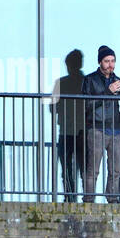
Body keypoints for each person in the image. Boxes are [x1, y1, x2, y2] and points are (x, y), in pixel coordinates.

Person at [82, 45, 120, 203]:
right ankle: (89, 199)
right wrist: (107, 91)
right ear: (100, 62)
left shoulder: (118, 80)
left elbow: (115, 104)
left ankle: (112, 198)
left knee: (116, 169)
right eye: (107, 61)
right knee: (93, 169)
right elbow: (87, 104)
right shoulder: (90, 79)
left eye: (113, 61)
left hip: (115, 129)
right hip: (97, 128)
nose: (110, 64)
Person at [48, 49, 86, 202]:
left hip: (71, 131)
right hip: (78, 131)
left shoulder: (62, 83)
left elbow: (52, 107)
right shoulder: (87, 82)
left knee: (70, 169)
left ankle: (70, 197)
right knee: (82, 169)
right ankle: (84, 197)